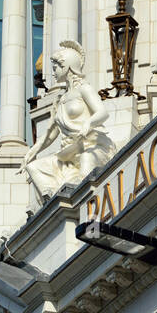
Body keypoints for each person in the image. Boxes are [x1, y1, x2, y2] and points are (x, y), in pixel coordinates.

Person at [20, 40, 115, 199]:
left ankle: (80, 206)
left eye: (56, 68)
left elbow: (102, 113)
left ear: (67, 66)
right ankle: (51, 200)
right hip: (68, 153)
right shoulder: (59, 100)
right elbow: (51, 134)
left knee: (86, 161)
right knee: (34, 167)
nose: (53, 72)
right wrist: (32, 152)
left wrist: (88, 123)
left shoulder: (84, 89)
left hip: (91, 146)